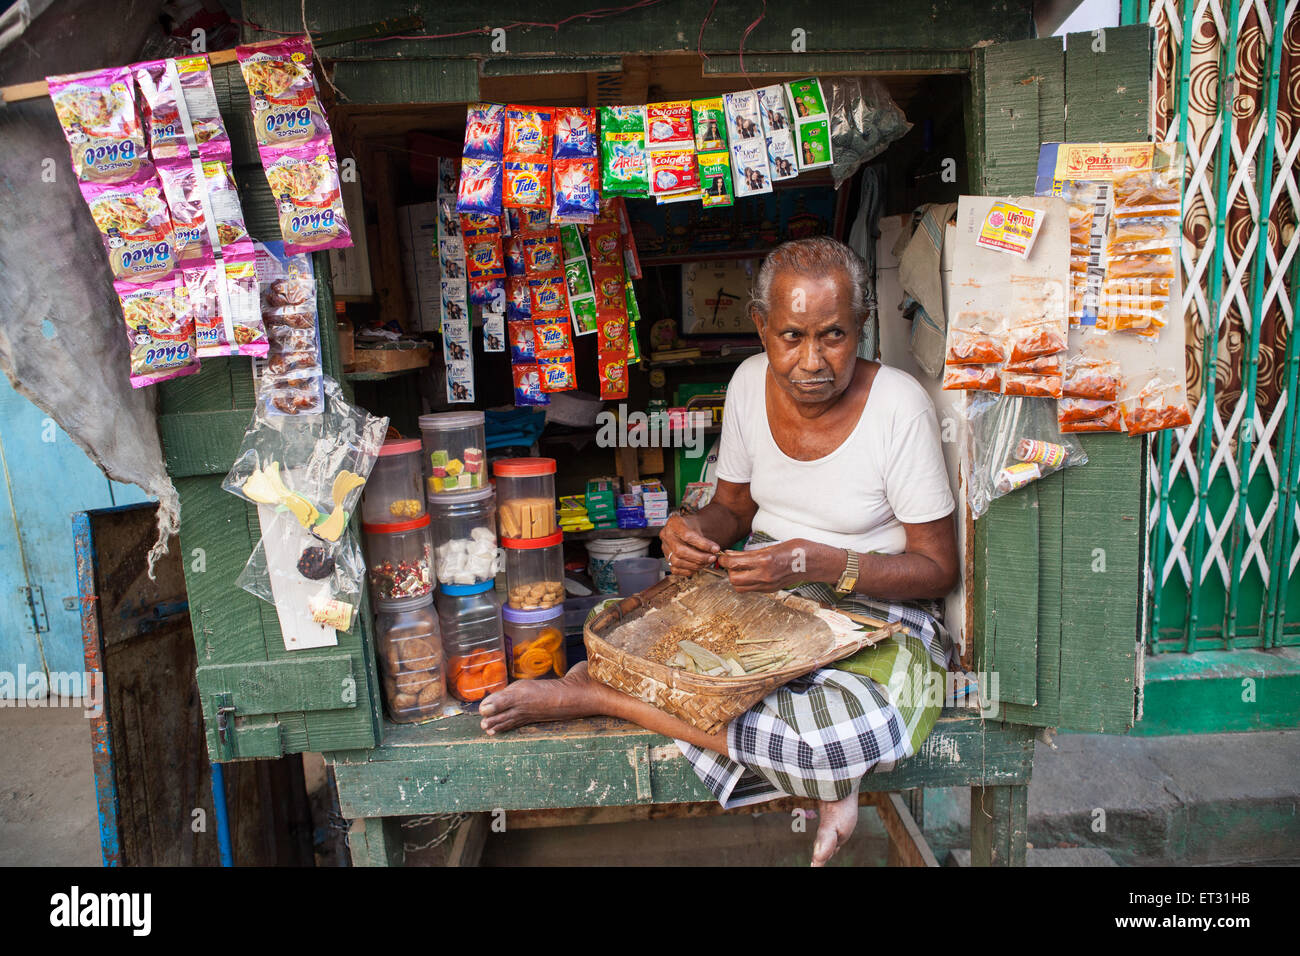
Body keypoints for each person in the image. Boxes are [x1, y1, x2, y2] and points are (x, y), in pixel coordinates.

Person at [480, 237, 959, 865]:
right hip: (766, 591)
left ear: (862, 326)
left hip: (881, 608)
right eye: (791, 336)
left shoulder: (899, 406)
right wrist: (687, 527)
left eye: (834, 336)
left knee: (833, 740)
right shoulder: (747, 384)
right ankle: (827, 780)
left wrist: (827, 563)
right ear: (760, 327)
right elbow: (734, 511)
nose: (811, 361)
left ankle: (600, 697)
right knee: (638, 639)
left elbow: (936, 569)